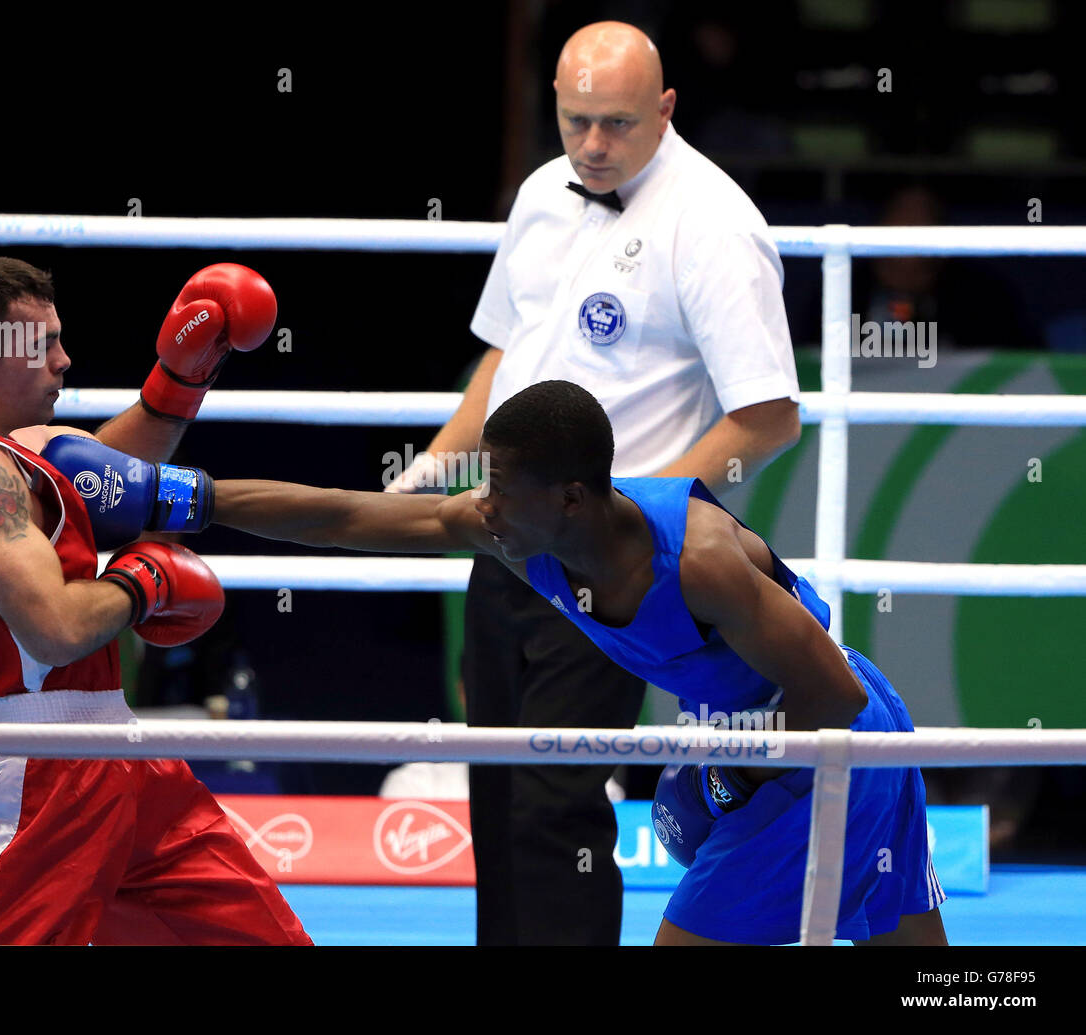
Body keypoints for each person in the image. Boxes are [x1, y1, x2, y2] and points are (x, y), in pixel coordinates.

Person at [192, 378, 947, 945]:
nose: (482, 506)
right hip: (777, 737)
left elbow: (836, 693)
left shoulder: (699, 560)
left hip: (820, 738)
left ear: (572, 498)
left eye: (501, 491)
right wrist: (195, 499)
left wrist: (734, 772)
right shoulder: (523, 538)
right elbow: (347, 513)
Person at [385, 21, 801, 944]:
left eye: (617, 124)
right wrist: (424, 476)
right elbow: (506, 357)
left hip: (607, 563)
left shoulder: (714, 223)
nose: (594, 146)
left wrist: (638, 524)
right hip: (505, 538)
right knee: (495, 784)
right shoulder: (543, 192)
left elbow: (769, 417)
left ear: (666, 108)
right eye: (576, 122)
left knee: (555, 800)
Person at [0, 255, 311, 945]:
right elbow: (56, 629)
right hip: (44, 768)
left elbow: (115, 477)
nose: (65, 360)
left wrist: (182, 375)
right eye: (42, 345)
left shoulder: (17, 448)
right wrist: (142, 582)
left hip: (125, 754)